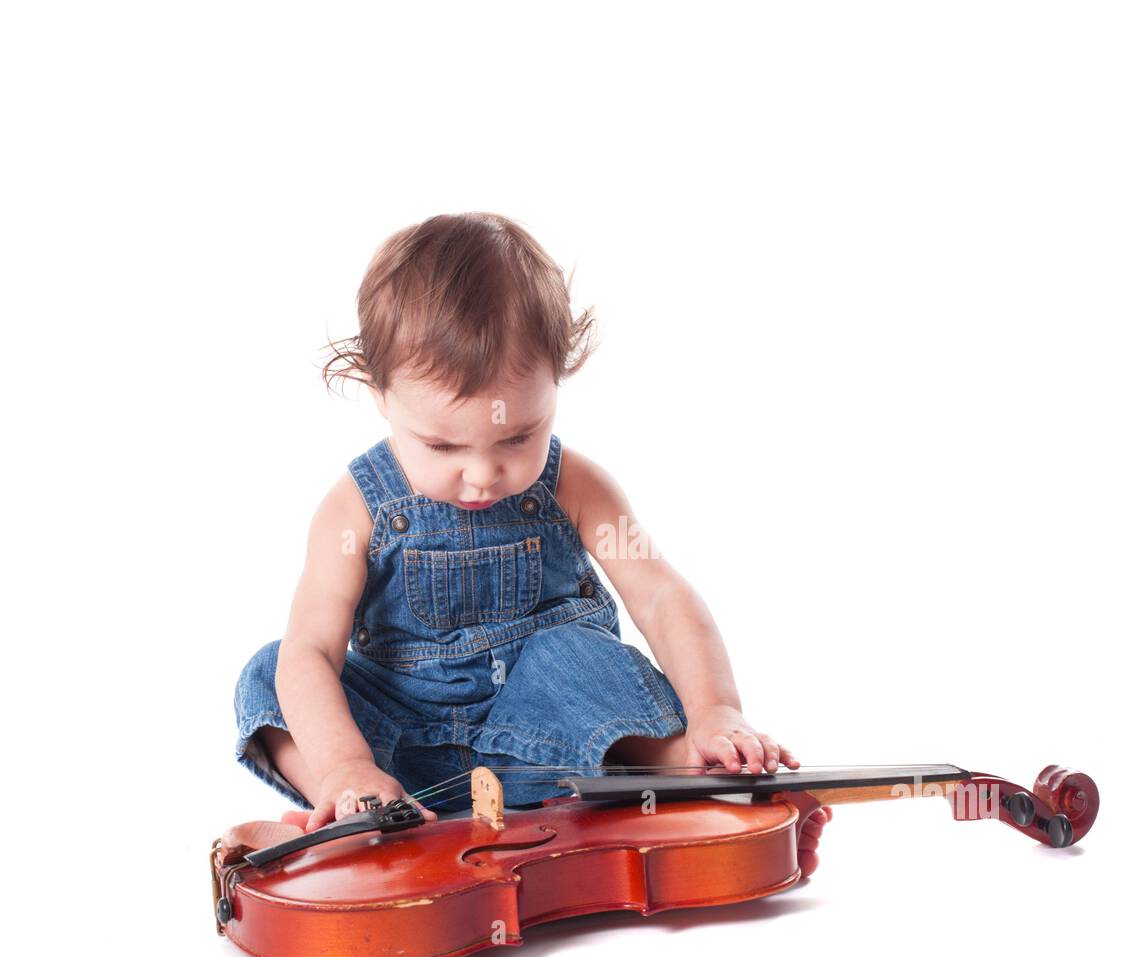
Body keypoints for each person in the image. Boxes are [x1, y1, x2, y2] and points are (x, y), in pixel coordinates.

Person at [232, 212, 829, 870]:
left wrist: (715, 709)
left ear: (557, 380)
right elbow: (313, 646)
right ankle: (352, 803)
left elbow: (659, 594)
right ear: (379, 393)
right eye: (442, 444)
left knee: (575, 657)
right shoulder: (354, 508)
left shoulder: (577, 484)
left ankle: (682, 760)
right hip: (403, 751)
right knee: (271, 669)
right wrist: (347, 761)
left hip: (552, 736)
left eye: (518, 436)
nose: (484, 473)